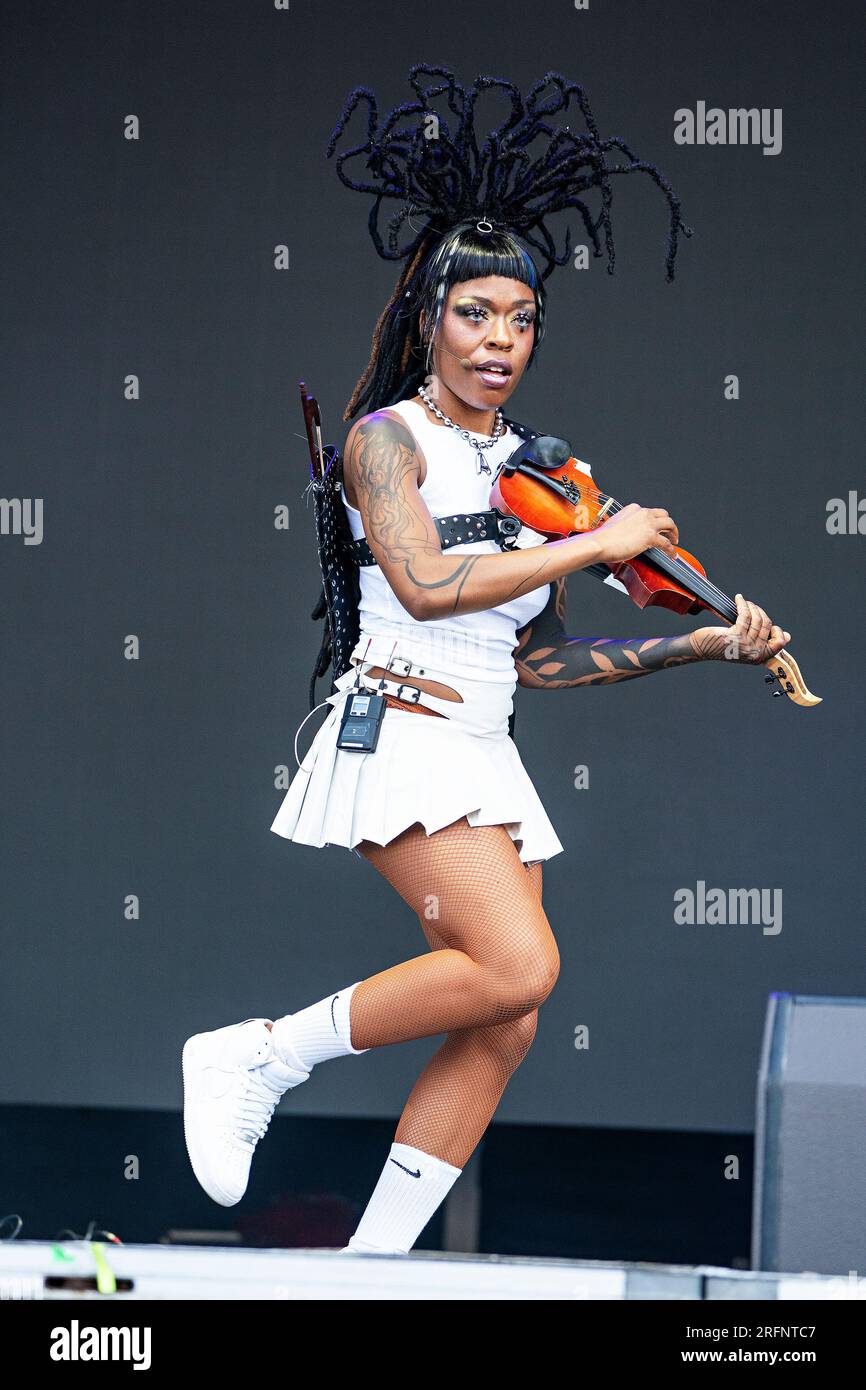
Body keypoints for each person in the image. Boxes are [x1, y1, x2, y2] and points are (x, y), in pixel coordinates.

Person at [182, 65, 789, 1256]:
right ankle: (256, 1054)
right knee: (516, 964)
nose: (498, 338)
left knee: (507, 1017)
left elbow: (545, 662)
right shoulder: (384, 442)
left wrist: (697, 640)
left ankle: (372, 1268)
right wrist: (599, 540)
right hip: (401, 725)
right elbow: (419, 583)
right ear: (429, 318)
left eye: (519, 317)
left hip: (479, 740)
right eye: (474, 313)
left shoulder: (536, 474)